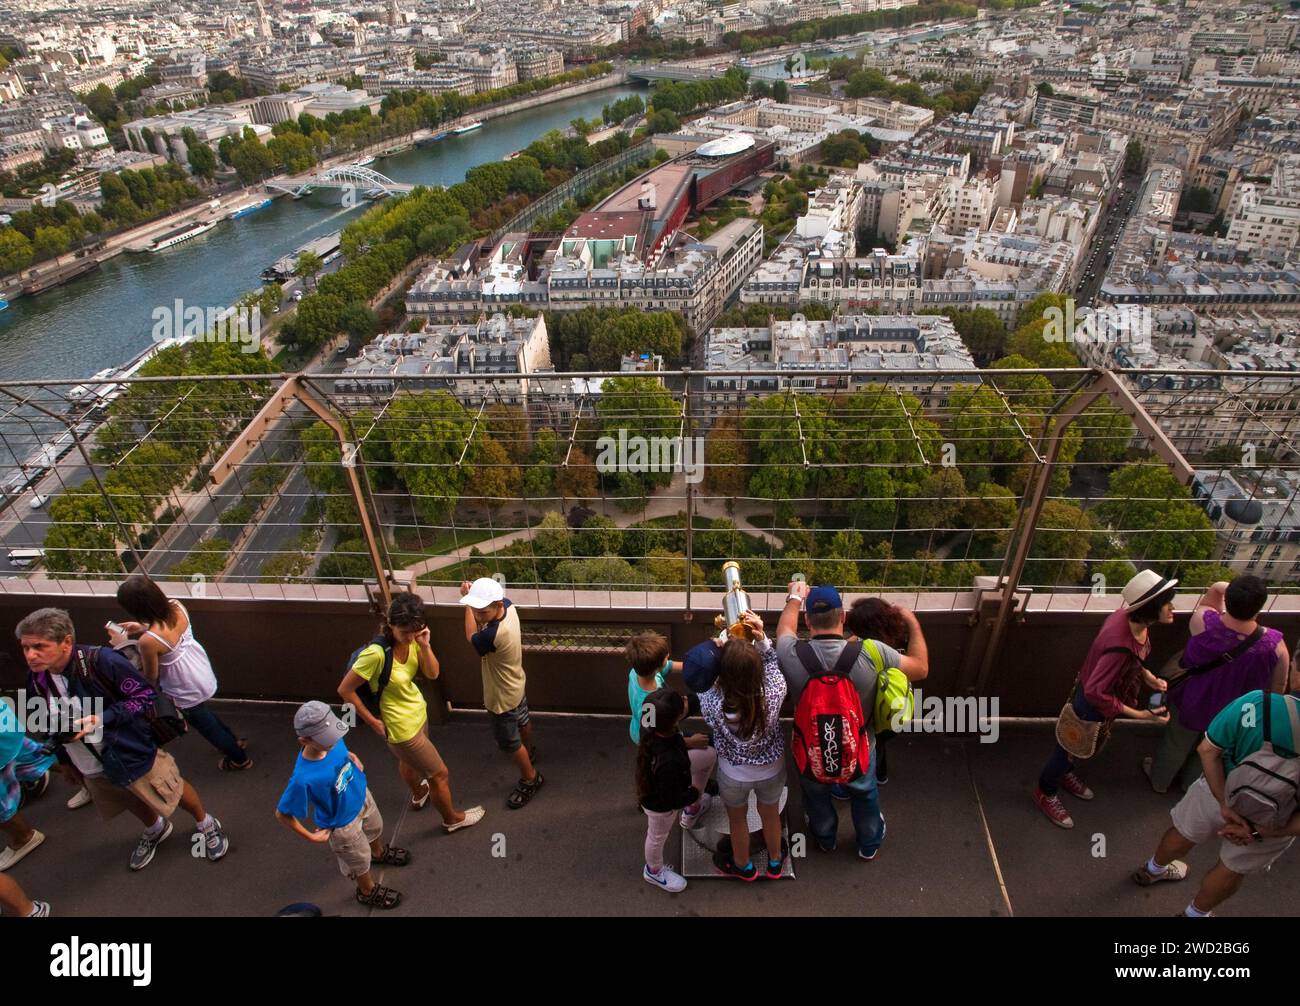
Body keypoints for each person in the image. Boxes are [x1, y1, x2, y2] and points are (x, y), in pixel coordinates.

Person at [17, 607, 230, 871]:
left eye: (39, 646)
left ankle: (205, 822)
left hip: (128, 747)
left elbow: (143, 697)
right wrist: (66, 762)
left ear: (66, 642)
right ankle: (155, 828)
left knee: (170, 787)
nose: (31, 655)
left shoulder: (101, 661)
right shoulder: (36, 680)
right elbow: (45, 721)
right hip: (87, 760)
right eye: (26, 648)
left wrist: (102, 718)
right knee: (126, 796)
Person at [1133, 654, 1300, 917]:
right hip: (1279, 816)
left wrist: (1224, 803)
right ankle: (1194, 914)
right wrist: (1259, 832)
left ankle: (1152, 870)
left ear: (1295, 669)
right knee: (1232, 868)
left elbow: (1208, 750)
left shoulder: (1257, 702)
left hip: (1220, 788)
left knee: (1186, 831)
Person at [776, 583, 929, 861]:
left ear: (808, 621)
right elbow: (920, 668)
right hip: (860, 745)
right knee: (865, 793)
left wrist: (795, 597)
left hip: (810, 750)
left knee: (816, 796)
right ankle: (868, 842)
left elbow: (784, 628)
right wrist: (913, 623)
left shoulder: (791, 652)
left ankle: (825, 838)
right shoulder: (872, 652)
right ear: (843, 617)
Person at [1033, 570, 1175, 829]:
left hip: (1095, 700)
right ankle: (1046, 791)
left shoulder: (1129, 620)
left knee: (1076, 746)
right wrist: (1140, 715)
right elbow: (1096, 692)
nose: (1172, 608)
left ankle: (1062, 775)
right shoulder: (1118, 645)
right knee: (1067, 748)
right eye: (1167, 603)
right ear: (1151, 608)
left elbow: (1134, 658)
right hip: (1091, 705)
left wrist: (1148, 677)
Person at [338, 592, 483, 832]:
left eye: (413, 631)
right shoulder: (375, 655)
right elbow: (345, 689)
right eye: (403, 632)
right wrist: (373, 721)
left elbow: (433, 673)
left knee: (409, 763)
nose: (408, 637)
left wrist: (424, 645)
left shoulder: (415, 639)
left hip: (416, 713)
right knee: (439, 774)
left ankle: (419, 793)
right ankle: (452, 819)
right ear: (390, 625)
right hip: (401, 728)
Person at [1145, 576, 1289, 794]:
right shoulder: (1276, 645)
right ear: (1260, 606)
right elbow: (1278, 688)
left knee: (1176, 742)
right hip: (1235, 712)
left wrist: (1228, 588)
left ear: (1229, 597)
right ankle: (1190, 786)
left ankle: (1159, 781)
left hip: (1194, 700)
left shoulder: (1203, 622)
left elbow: (1212, 593)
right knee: (1213, 750)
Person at [275, 701, 410, 910]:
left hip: (362, 796)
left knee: (376, 828)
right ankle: (366, 890)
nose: (334, 740)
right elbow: (282, 814)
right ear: (304, 740)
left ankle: (379, 853)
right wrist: (310, 836)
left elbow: (342, 751)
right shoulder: (303, 778)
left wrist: (352, 758)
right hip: (343, 824)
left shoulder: (333, 740)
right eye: (326, 739)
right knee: (358, 861)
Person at [112, 573, 251, 772]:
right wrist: (143, 627)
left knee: (206, 725)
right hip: (199, 669)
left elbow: (151, 676)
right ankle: (235, 740)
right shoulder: (177, 606)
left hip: (182, 685)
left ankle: (240, 759)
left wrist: (122, 645)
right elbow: (167, 631)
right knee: (205, 714)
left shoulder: (147, 641)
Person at [699, 612, 786, 880]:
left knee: (738, 820)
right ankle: (774, 863)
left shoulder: (713, 703)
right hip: (771, 769)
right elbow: (772, 663)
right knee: (770, 815)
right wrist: (761, 638)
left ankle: (743, 867)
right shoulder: (775, 690)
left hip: (733, 773)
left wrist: (722, 646)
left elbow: (704, 681)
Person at [460, 577, 542, 809]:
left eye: (482, 612)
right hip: (516, 682)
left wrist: (467, 604)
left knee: (509, 741)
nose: (477, 616)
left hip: (500, 697)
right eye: (475, 610)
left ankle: (530, 777)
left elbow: (470, 637)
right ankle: (530, 751)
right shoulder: (509, 606)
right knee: (523, 719)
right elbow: (490, 604)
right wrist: (475, 595)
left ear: (496, 604)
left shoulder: (490, 636)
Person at [636, 688, 716, 893]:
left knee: (708, 755)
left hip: (661, 786)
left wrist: (687, 742)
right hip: (661, 805)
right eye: (681, 702)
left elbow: (670, 739)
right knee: (656, 836)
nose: (684, 700)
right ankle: (653, 871)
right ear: (674, 720)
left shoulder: (651, 722)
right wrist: (694, 794)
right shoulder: (669, 761)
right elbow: (672, 798)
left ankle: (692, 811)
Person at [844, 598, 911, 786]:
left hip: (867, 719)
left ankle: (852, 785)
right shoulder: (899, 645)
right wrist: (912, 622)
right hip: (891, 716)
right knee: (879, 745)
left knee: (868, 748)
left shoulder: (861, 655)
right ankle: (880, 774)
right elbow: (920, 668)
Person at [0, 695, 55, 872]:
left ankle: (24, 838)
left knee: (2, 806)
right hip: (4, 726)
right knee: (35, 755)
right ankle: (92, 781)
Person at [624, 630, 677, 744]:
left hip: (637, 725)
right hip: (646, 739)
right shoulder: (649, 704)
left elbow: (669, 666)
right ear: (656, 668)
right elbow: (654, 735)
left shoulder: (637, 671)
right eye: (665, 657)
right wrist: (689, 742)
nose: (668, 655)